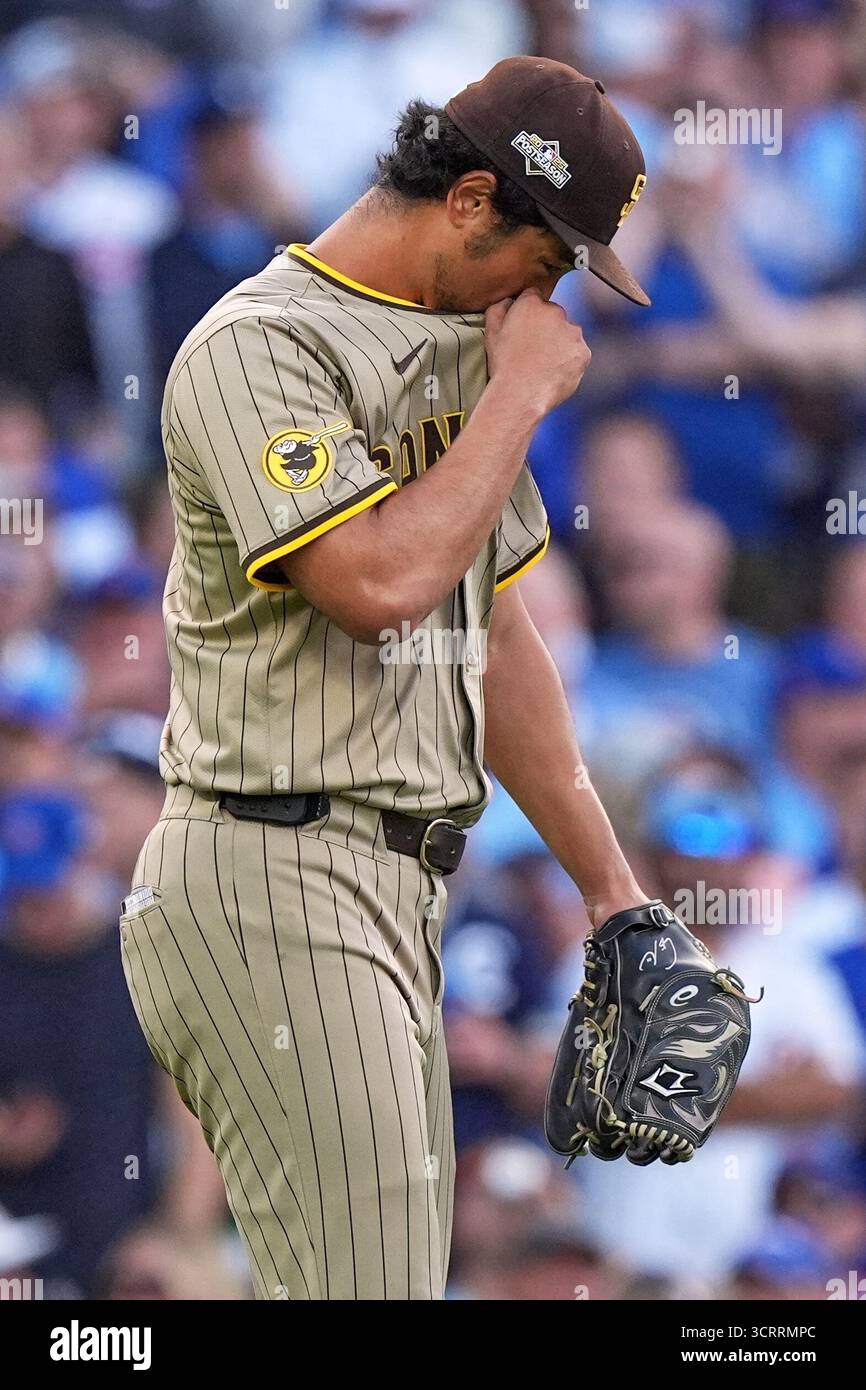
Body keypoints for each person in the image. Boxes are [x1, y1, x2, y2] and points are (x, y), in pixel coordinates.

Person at [121, 56, 658, 1301]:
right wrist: (518, 400)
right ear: (472, 198)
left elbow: (496, 634)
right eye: (552, 250)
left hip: (390, 882)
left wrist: (612, 891)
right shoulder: (260, 345)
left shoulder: (463, 354)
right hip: (271, 866)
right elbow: (373, 585)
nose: (555, 287)